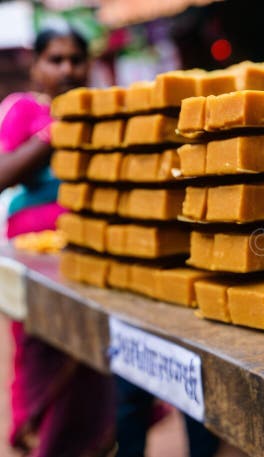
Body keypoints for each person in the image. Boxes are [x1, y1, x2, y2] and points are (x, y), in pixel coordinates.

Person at [1, 26, 116, 456]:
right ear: (36, 67)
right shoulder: (23, 109)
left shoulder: (102, 113)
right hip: (36, 266)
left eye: (76, 59)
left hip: (92, 258)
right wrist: (54, 133)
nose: (67, 69)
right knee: (43, 356)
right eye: (55, 59)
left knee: (93, 365)